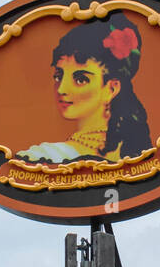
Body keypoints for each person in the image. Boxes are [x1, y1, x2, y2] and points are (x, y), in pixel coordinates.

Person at [16, 13, 152, 164]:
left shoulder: (44, 158)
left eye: (81, 79)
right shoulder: (135, 153)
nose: (61, 89)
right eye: (58, 76)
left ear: (111, 89)